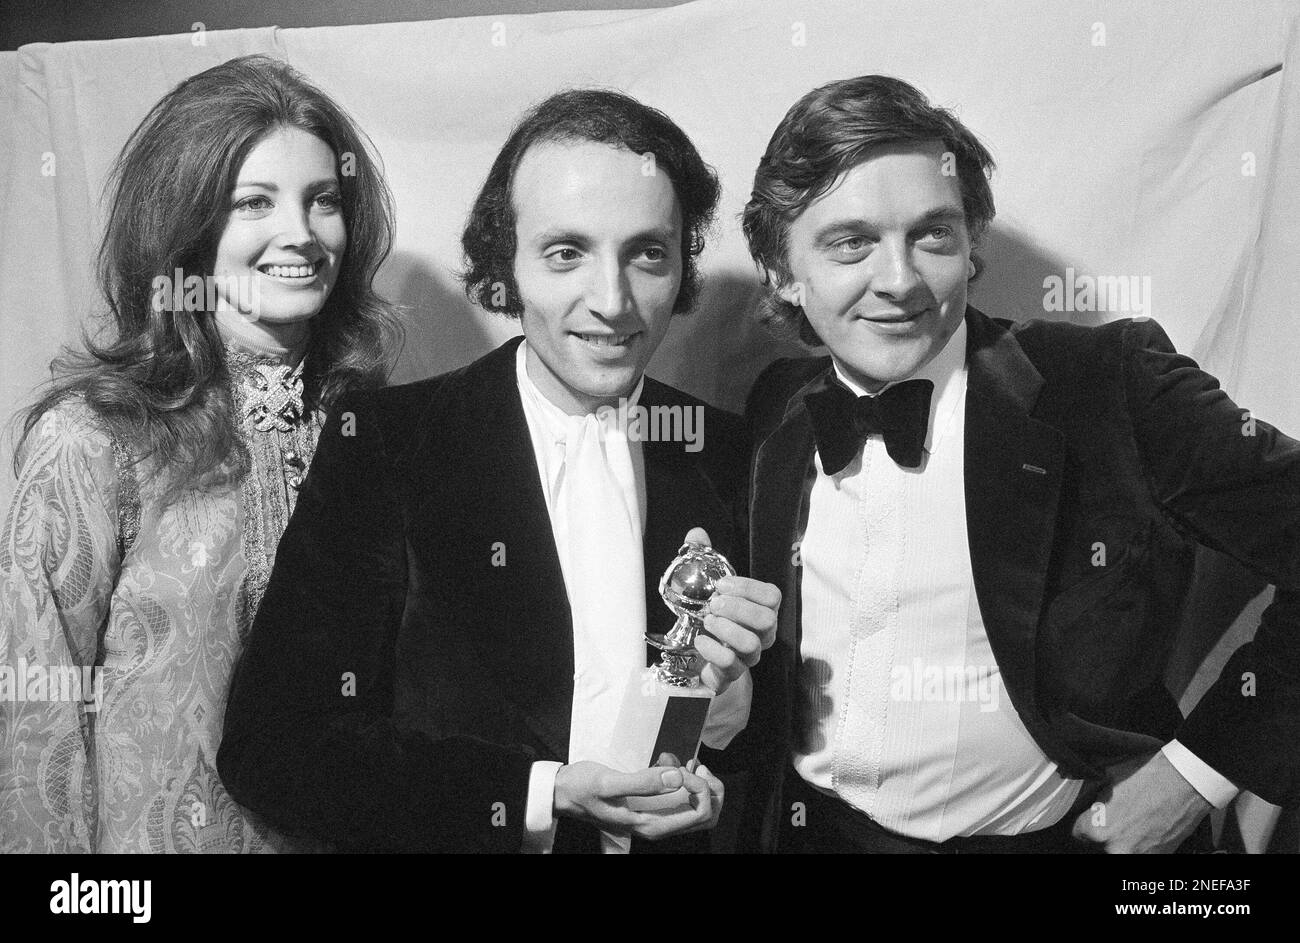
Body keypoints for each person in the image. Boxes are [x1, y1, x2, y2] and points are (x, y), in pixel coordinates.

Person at [736, 74, 1300, 853]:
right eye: (850, 243)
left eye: (932, 234)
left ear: (972, 245)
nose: (899, 281)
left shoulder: (1111, 386)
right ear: (781, 270)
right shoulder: (776, 408)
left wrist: (1199, 771)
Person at [218, 88, 781, 853]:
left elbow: (761, 749)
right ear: (503, 263)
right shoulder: (388, 443)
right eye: (566, 252)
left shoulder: (730, 449)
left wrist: (728, 714)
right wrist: (538, 797)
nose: (611, 301)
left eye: (647, 252)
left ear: (681, 267)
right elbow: (275, 748)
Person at [0, 54, 400, 853]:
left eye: (323, 201)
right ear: (186, 230)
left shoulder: (379, 430)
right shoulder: (93, 437)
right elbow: (33, 731)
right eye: (255, 202)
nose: (301, 233)